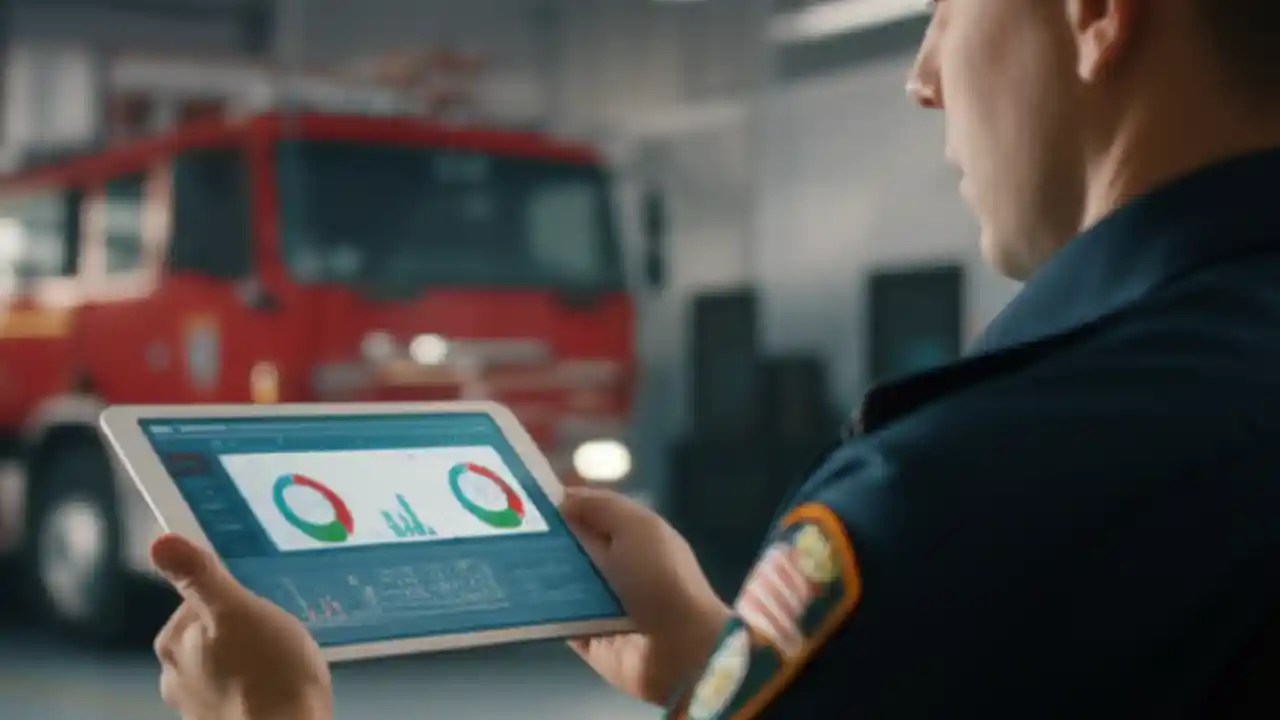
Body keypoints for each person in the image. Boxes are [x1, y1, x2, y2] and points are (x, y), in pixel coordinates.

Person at [149, 0, 1280, 717]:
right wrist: (718, 670)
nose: (921, 74)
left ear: (1095, 14)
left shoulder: (967, 490)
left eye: (943, 5)